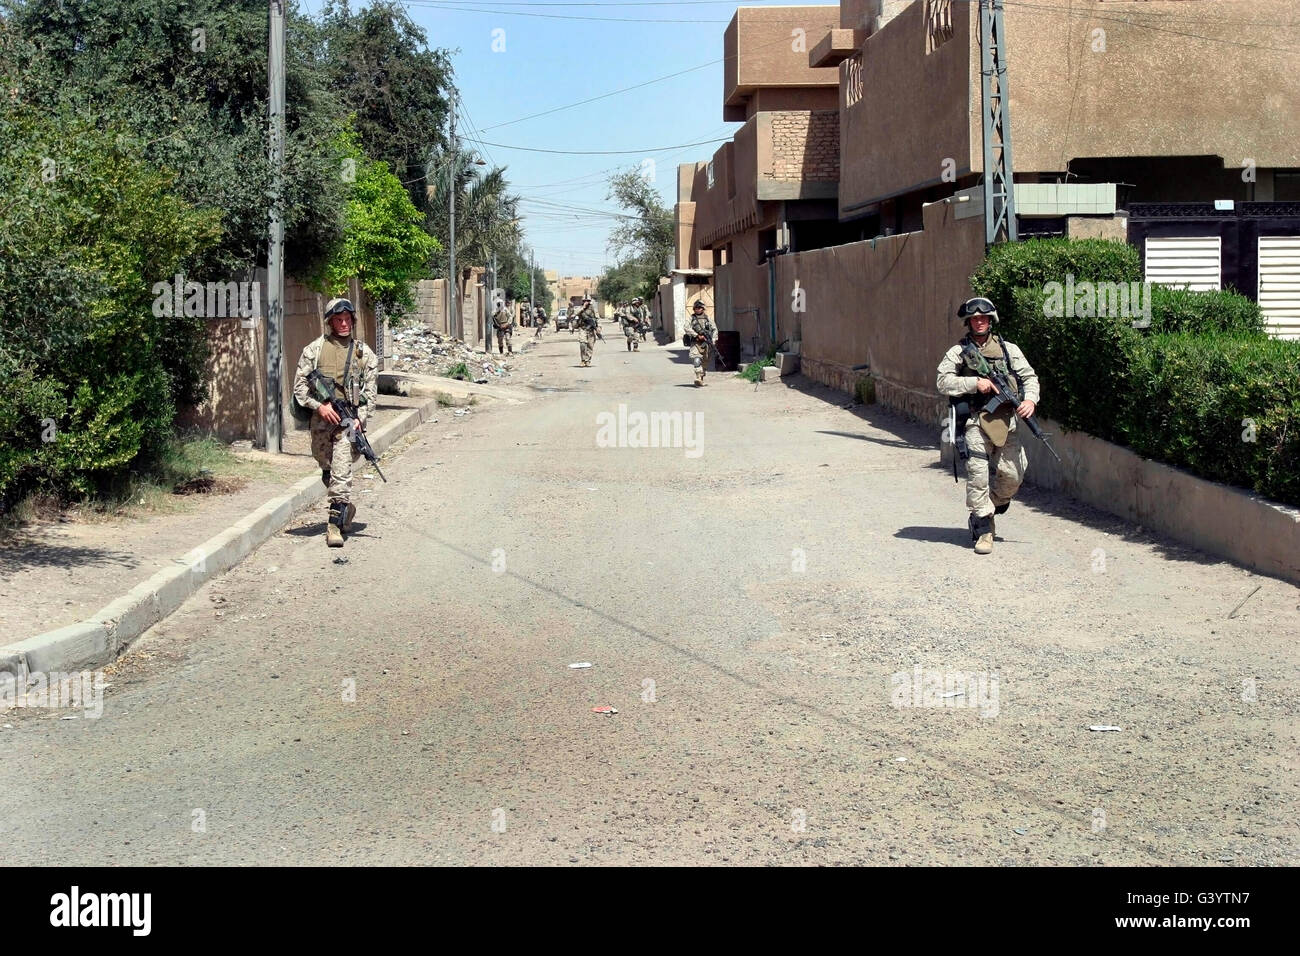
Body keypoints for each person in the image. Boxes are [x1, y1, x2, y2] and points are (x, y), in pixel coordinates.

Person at [936, 296, 1041, 555]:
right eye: (975, 318)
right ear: (969, 322)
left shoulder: (1008, 349)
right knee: (978, 477)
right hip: (974, 421)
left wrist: (1030, 400)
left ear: (990, 320)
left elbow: (1029, 376)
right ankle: (984, 528)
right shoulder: (959, 352)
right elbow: (942, 381)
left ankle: (992, 504)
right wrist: (974, 384)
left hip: (1007, 421)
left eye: (984, 318)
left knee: (1014, 475)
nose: (979, 321)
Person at [293, 297, 379, 548]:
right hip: (321, 422)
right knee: (328, 469)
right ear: (330, 322)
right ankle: (346, 508)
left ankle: (334, 526)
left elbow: (370, 394)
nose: (343, 324)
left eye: (347, 319)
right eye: (338, 320)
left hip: (348, 423)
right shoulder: (314, 350)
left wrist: (360, 420)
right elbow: (300, 387)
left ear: (353, 320)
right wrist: (320, 406)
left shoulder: (365, 354)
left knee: (341, 471)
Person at [686, 299, 715, 386]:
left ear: (702, 308)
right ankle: (698, 377)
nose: (697, 309)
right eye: (695, 308)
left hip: (706, 343)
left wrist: (713, 340)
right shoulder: (691, 318)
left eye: (699, 308)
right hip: (696, 343)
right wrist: (696, 335)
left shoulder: (708, 318)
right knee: (696, 359)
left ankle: (701, 378)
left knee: (705, 362)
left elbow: (714, 329)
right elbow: (686, 328)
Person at [575, 296, 599, 366]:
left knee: (590, 345)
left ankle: (588, 360)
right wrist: (583, 308)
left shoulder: (593, 308)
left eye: (588, 301)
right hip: (582, 328)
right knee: (582, 344)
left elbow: (597, 318)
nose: (586, 302)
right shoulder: (580, 308)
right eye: (585, 301)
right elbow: (575, 313)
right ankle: (583, 360)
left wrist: (599, 328)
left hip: (591, 329)